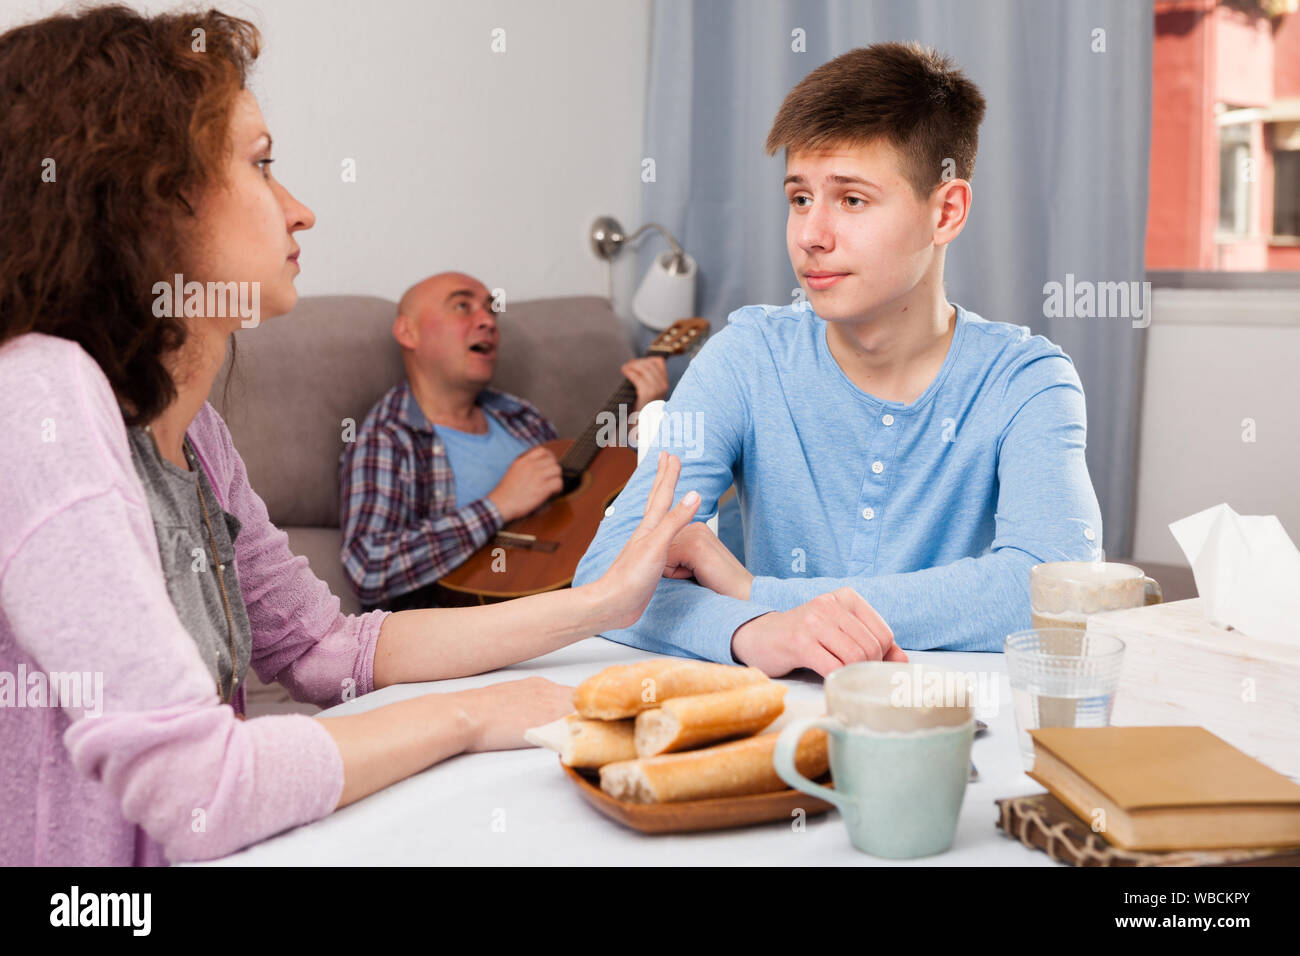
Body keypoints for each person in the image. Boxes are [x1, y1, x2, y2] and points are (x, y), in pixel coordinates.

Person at [0, 5, 700, 866]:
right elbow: (199, 789)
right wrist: (472, 715)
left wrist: (600, 603)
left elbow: (326, 648)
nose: (301, 212)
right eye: (262, 167)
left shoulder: (199, 437)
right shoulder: (35, 393)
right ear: (146, 199)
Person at [573, 42, 1103, 676]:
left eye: (851, 200)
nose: (809, 236)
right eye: (800, 198)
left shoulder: (1027, 381)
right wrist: (753, 632)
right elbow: (607, 576)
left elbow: (1052, 593)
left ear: (947, 211)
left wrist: (756, 595)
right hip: (770, 714)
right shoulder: (749, 356)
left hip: (943, 726)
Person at [338, 272, 668, 610]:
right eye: (463, 306)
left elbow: (586, 508)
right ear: (408, 332)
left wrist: (643, 419)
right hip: (472, 626)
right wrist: (498, 505)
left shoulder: (521, 416)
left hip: (583, 592)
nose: (488, 321)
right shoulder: (387, 438)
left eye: (491, 311)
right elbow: (368, 569)